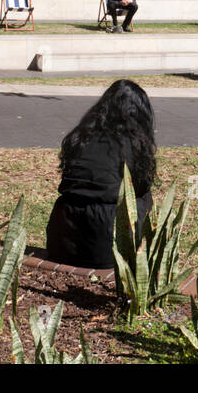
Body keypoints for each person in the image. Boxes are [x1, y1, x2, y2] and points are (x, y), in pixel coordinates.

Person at [45, 80, 158, 268]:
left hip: (63, 237)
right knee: (143, 197)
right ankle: (140, 252)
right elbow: (142, 187)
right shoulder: (134, 144)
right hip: (108, 245)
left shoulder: (80, 137)